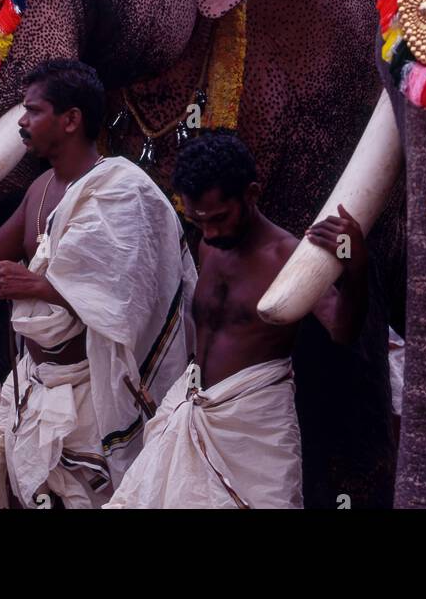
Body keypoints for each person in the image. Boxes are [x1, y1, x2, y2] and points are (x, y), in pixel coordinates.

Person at [0, 59, 195, 510]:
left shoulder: (123, 189)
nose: (22, 121)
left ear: (71, 120)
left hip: (95, 398)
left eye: (33, 111)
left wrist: (39, 286)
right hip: (34, 388)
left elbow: (131, 298)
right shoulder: (41, 187)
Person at [105, 130, 367, 510]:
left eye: (220, 218)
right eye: (198, 220)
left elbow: (342, 330)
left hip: (255, 430)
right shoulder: (208, 244)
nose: (209, 232)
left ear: (252, 194)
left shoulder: (289, 257)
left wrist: (356, 267)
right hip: (191, 410)